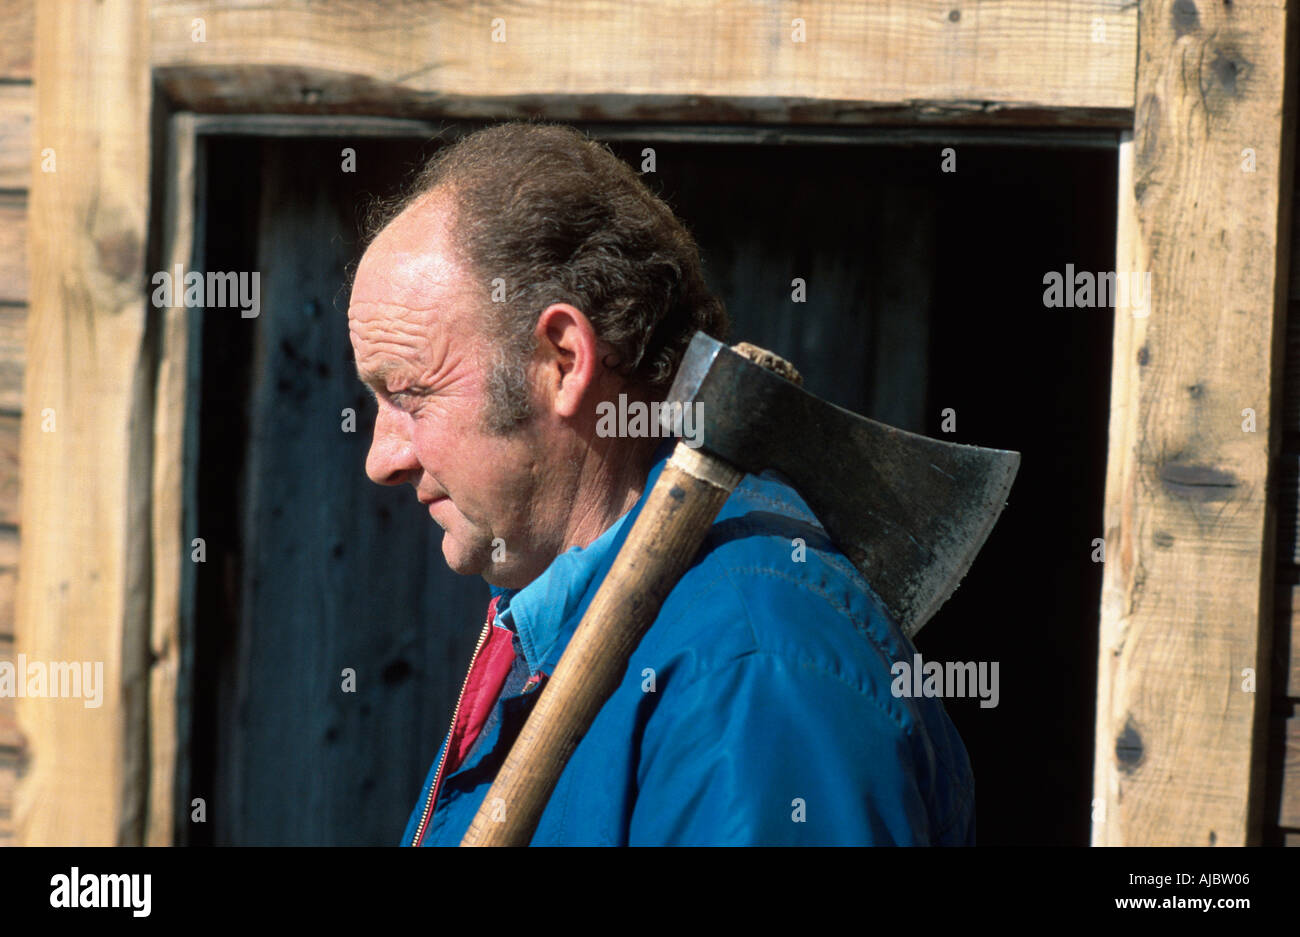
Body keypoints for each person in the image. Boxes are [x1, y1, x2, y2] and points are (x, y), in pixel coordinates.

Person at [347, 121, 975, 845]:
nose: (381, 457)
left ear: (562, 359)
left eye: (410, 393)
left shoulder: (753, 671)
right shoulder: (535, 638)